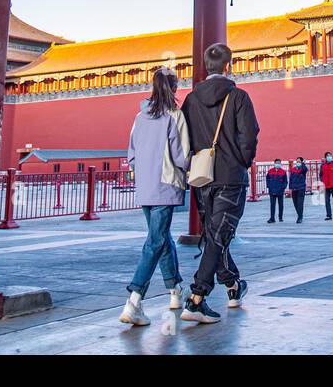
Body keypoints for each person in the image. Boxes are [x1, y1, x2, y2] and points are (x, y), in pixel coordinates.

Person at [180, 43, 260, 324]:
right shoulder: (238, 97)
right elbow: (249, 135)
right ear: (229, 65)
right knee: (218, 236)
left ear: (206, 66)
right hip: (230, 177)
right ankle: (196, 299)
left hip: (202, 177)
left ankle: (233, 285)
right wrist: (242, 161)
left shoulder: (191, 100)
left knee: (215, 234)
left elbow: (185, 136)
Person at [120, 67, 190, 327]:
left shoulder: (140, 117)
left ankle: (175, 291)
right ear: (174, 88)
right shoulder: (175, 116)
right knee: (155, 242)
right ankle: (134, 299)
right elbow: (182, 156)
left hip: (145, 187)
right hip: (165, 185)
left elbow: (131, 152)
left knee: (161, 238)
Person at [265, 158, 287, 223]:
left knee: (281, 205)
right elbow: (267, 179)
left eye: (279, 163)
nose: (278, 164)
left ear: (280, 164)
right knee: (272, 205)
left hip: (280, 191)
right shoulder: (270, 171)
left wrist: (283, 188)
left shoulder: (283, 172)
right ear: (274, 163)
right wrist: (269, 186)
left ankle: (280, 217)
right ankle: (272, 218)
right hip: (272, 191)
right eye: (276, 163)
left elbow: (285, 181)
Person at [288, 157, 307, 223]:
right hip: (294, 188)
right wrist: (290, 187)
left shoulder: (303, 169)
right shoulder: (293, 169)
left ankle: (300, 217)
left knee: (300, 203)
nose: (297, 163)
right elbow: (291, 179)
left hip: (301, 188)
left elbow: (305, 169)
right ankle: (299, 215)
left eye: (299, 162)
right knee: (295, 203)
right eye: (297, 162)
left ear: (301, 162)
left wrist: (303, 164)